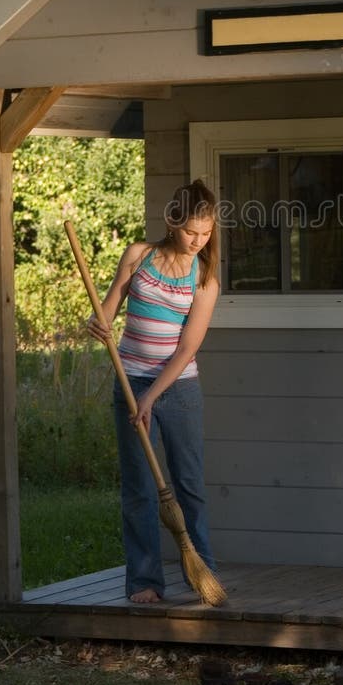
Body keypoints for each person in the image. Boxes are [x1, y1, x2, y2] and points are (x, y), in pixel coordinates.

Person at [87, 178, 220, 604]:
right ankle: (144, 582)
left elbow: (187, 349)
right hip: (129, 381)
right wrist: (99, 323)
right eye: (191, 232)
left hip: (178, 389)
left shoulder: (205, 280)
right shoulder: (138, 256)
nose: (199, 240)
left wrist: (151, 397)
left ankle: (203, 574)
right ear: (171, 222)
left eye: (207, 232)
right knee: (139, 487)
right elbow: (107, 312)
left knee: (189, 484)